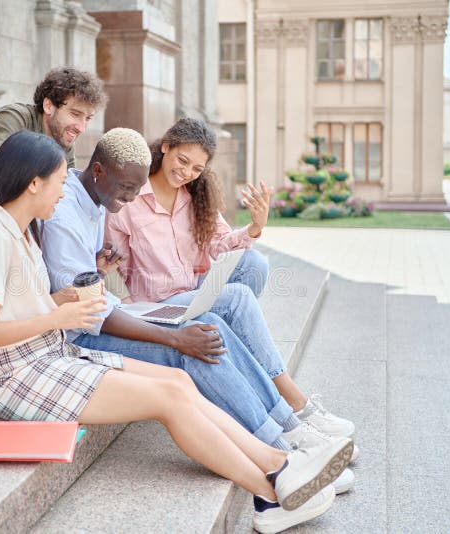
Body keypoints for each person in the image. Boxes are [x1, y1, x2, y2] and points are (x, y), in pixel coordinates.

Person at [0, 130, 352, 533]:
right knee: (169, 398)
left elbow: (21, 308)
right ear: (33, 183)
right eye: (57, 184)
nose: (63, 193)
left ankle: (279, 463)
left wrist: (61, 301)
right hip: (19, 376)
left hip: (48, 356)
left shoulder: (21, 232)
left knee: (178, 379)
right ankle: (270, 489)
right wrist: (57, 318)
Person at [38, 127, 355, 491]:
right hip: (102, 326)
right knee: (200, 340)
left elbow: (86, 284)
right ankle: (282, 449)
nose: (129, 196)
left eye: (196, 167)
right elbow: (89, 311)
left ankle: (288, 426)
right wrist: (174, 339)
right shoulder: (80, 212)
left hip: (133, 308)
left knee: (216, 319)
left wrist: (99, 270)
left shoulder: (96, 202)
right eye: (127, 188)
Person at [105, 118, 358, 451]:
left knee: (253, 263)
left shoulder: (193, 197)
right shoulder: (129, 202)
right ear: (165, 147)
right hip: (156, 305)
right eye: (182, 161)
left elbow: (221, 242)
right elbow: (113, 271)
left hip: (193, 290)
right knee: (237, 298)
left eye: (197, 168)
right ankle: (294, 401)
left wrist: (254, 227)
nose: (186, 172)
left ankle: (237, 364)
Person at [0, 67, 107, 166]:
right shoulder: (14, 118)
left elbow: (66, 190)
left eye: (88, 118)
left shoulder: (63, 138)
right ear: (48, 106)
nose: (81, 128)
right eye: (75, 114)